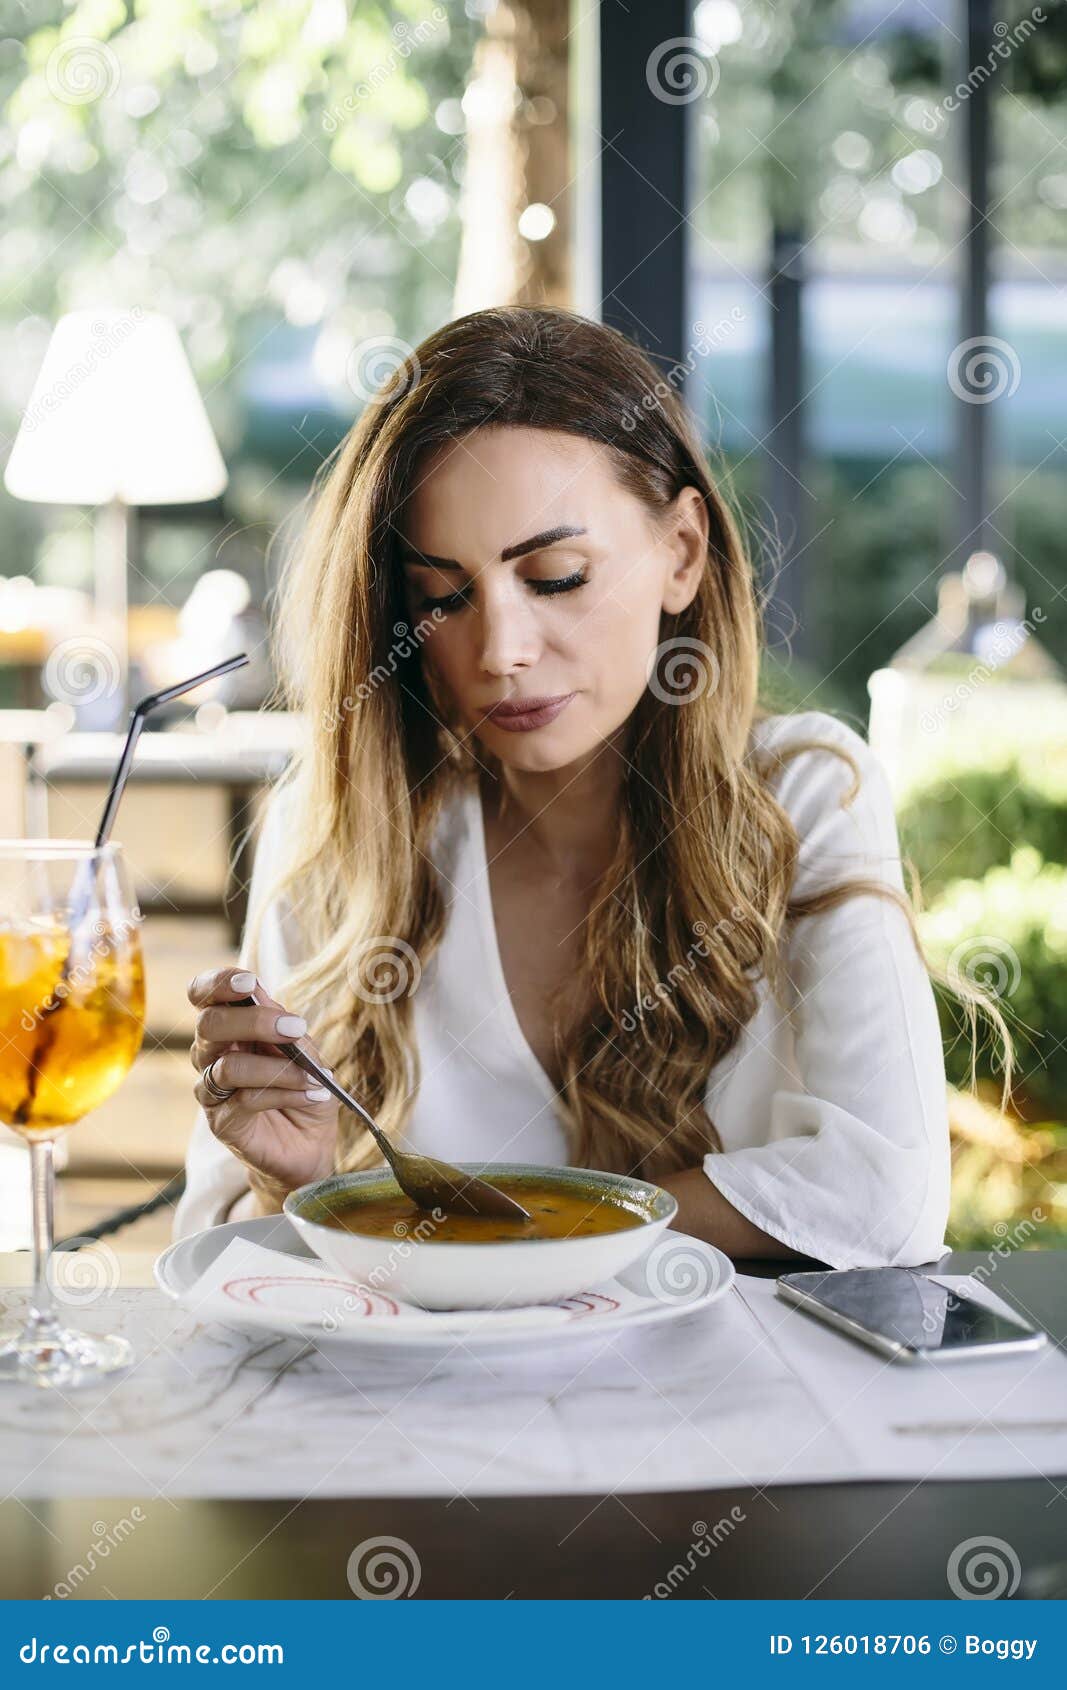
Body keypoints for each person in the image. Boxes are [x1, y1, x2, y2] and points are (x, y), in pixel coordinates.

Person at [176, 305, 954, 1268]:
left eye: (554, 577)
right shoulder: (339, 831)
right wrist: (292, 1183)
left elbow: (885, 1202)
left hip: (733, 1413)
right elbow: (216, 1257)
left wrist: (474, 1224)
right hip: (424, 1415)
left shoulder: (804, 795)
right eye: (442, 597)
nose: (500, 650)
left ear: (680, 552)